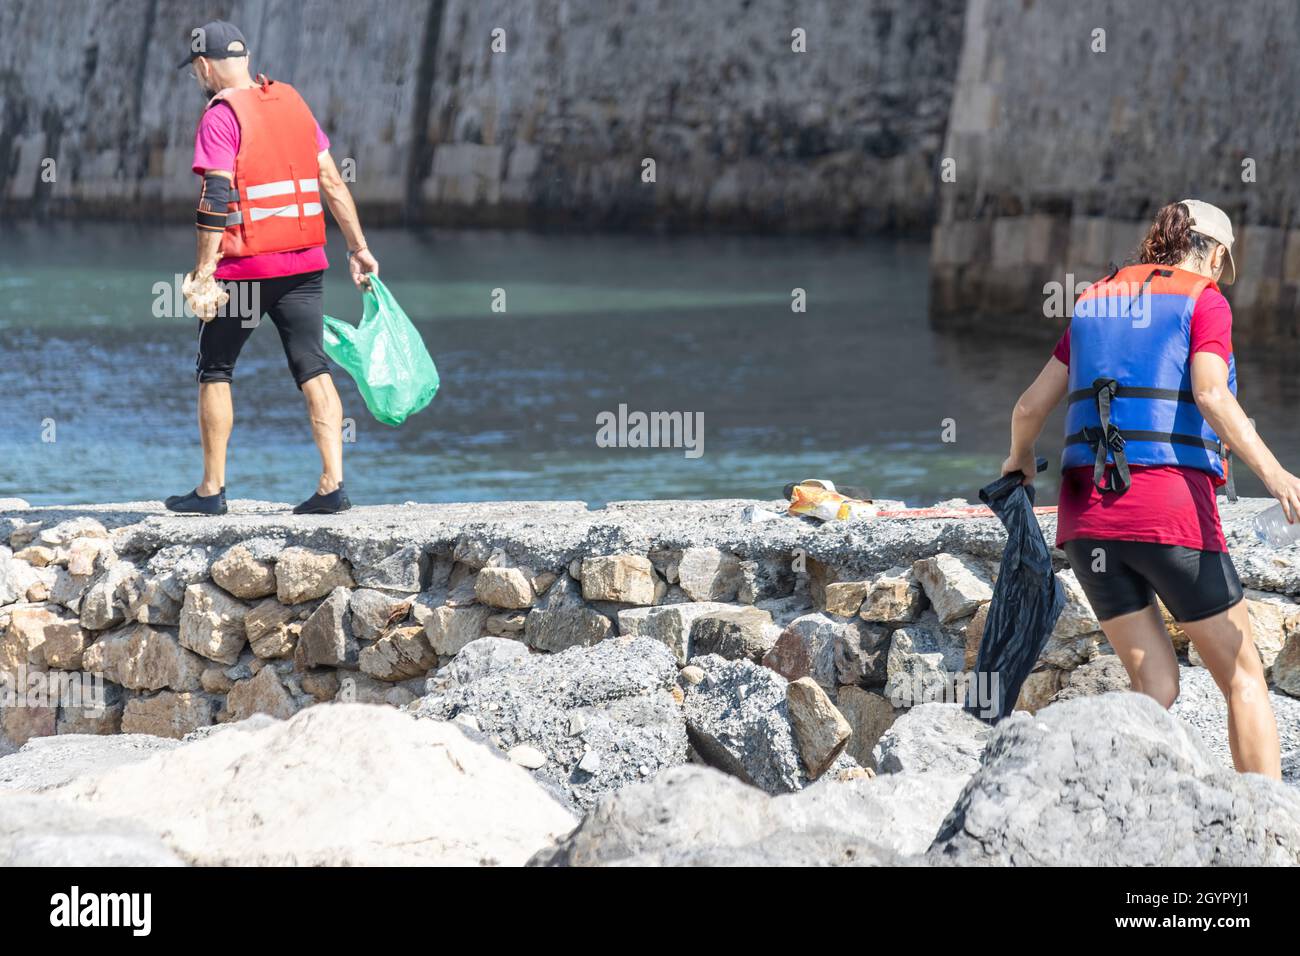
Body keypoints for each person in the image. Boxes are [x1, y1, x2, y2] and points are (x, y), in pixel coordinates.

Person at [1002, 199, 1292, 779]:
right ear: (1211, 252)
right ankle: (1270, 830)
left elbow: (1030, 405)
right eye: (1223, 264)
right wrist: (1279, 475)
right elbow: (1211, 395)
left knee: (1153, 684)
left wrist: (1019, 463)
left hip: (1087, 524)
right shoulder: (1203, 300)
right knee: (1242, 676)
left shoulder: (1094, 298)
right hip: (1168, 514)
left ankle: (1089, 794)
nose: (1220, 276)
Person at [167, 20, 379, 516]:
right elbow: (330, 178)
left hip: (243, 271)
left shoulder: (221, 114)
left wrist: (202, 270)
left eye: (196, 70)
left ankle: (211, 490)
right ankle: (332, 486)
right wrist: (358, 246)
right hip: (305, 265)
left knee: (215, 369)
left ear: (203, 65)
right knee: (313, 366)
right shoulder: (292, 101)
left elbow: (215, 195)